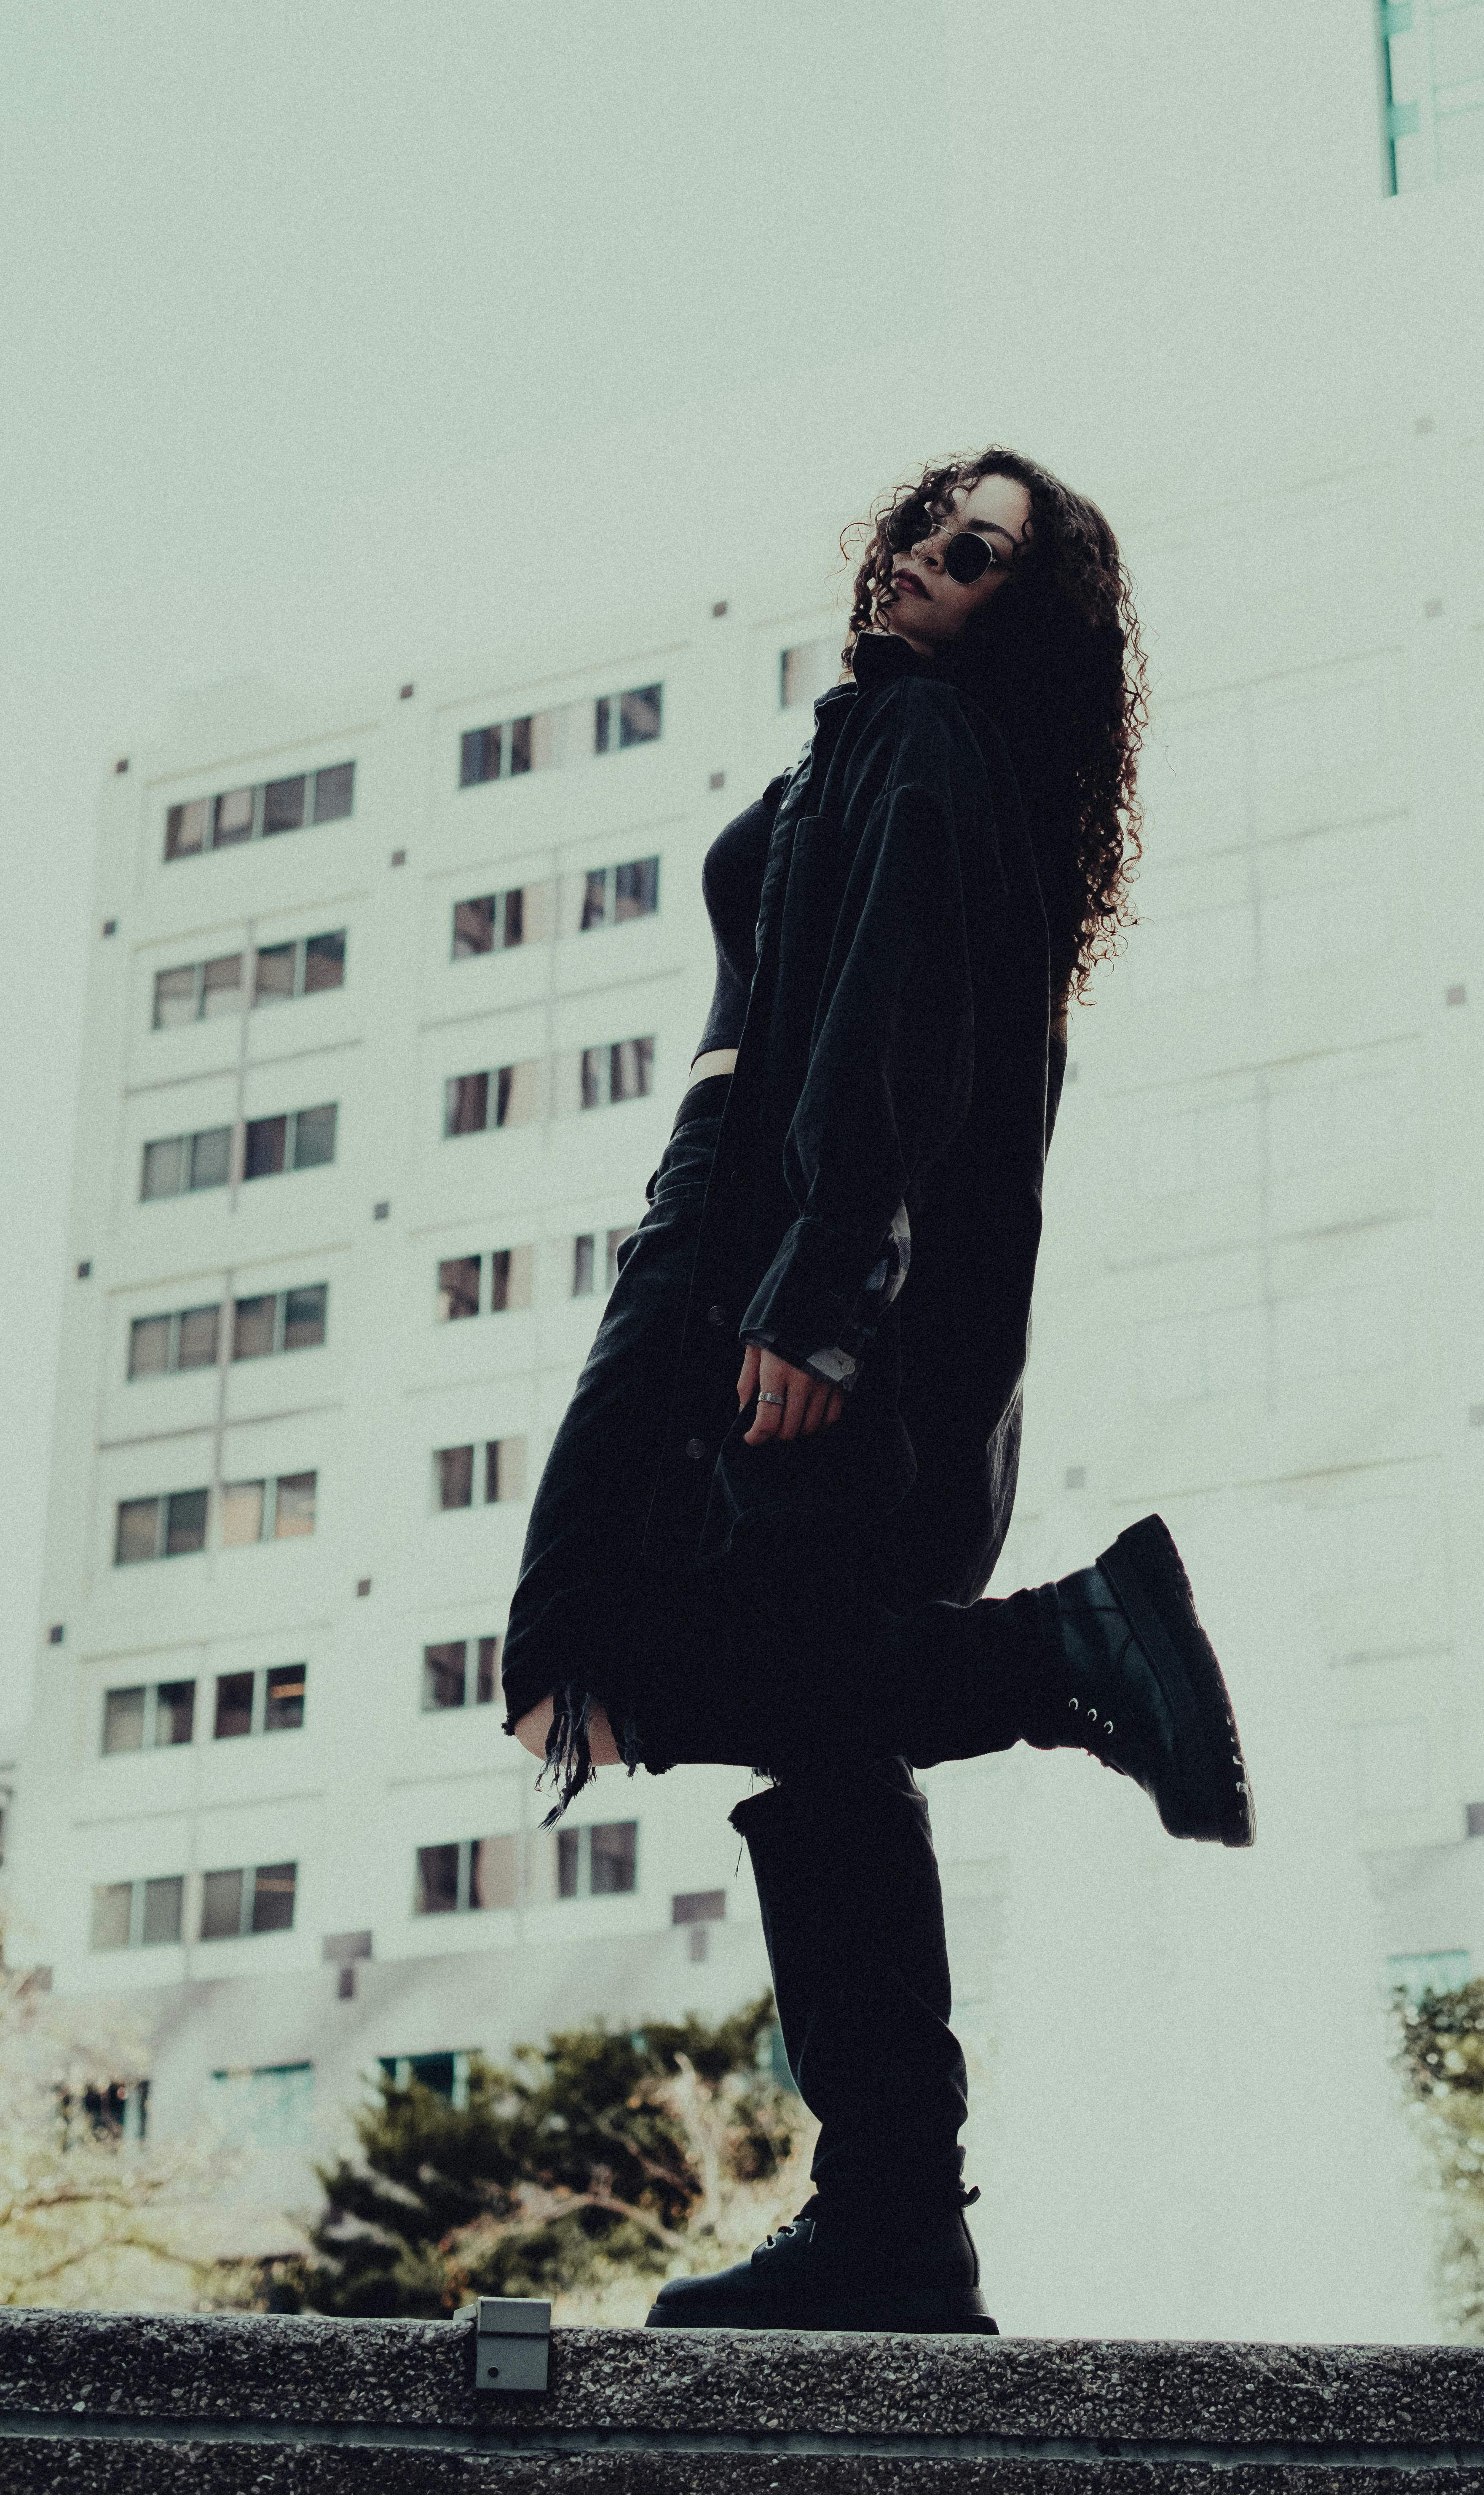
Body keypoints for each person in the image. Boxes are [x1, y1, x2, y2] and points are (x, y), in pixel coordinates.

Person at [498, 447, 1253, 2337]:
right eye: (928, 526)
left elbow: (891, 1007)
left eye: (978, 554)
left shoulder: (922, 741)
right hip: (749, 1245)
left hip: (766, 1261)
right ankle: (899, 2224)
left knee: (609, 1659)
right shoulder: (894, 744)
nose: (927, 559)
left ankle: (1064, 1654)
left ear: (1026, 614)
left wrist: (823, 1292)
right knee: (816, 1727)